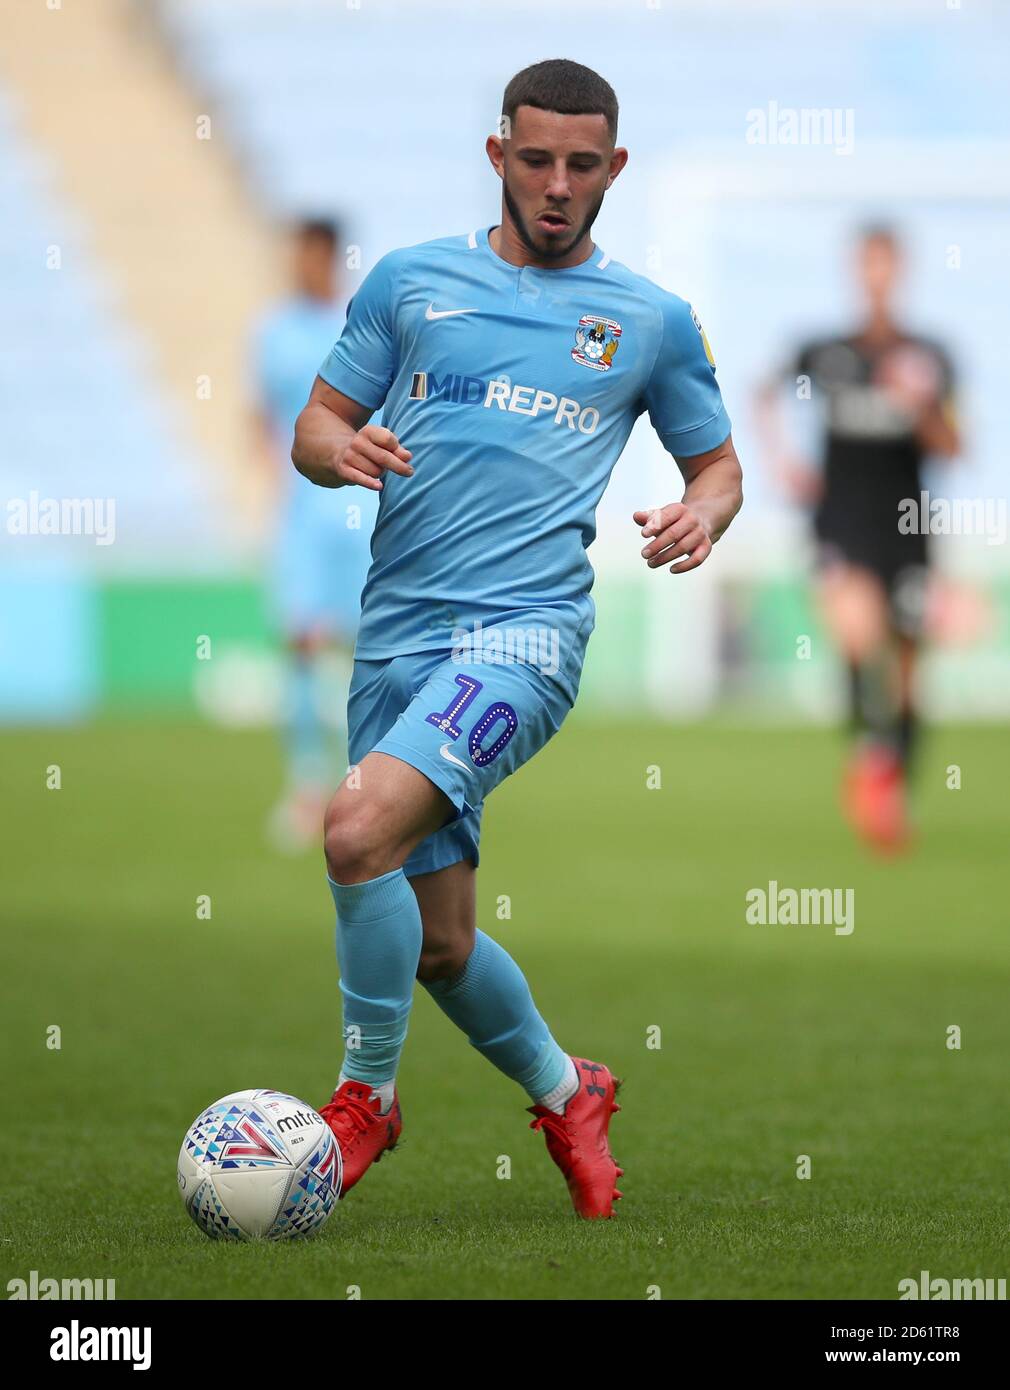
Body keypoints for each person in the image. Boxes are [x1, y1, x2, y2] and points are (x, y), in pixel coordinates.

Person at [291, 59, 742, 1218]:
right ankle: (567, 1087)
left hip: (522, 641)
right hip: (395, 646)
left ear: (613, 169)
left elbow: (718, 465)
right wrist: (335, 451)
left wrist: (702, 510)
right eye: (533, 160)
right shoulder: (408, 283)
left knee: (351, 831)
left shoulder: (647, 320)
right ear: (497, 156)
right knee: (438, 948)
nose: (554, 185)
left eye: (580, 166)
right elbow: (317, 421)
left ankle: (365, 1098)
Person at [755, 226, 960, 851]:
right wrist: (783, 462)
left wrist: (920, 405)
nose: (876, 276)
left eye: (886, 266)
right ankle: (870, 765)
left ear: (900, 271)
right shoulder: (824, 352)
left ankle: (889, 787)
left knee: (904, 672)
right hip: (840, 524)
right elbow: (764, 393)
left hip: (908, 530)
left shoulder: (929, 354)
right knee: (856, 635)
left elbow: (954, 446)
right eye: (866, 265)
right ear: (855, 270)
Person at [252, 218, 378, 850]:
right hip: (301, 518)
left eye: (312, 255)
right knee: (301, 644)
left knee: (370, 652)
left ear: (332, 256)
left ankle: (372, 787)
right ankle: (306, 788)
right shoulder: (271, 331)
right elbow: (259, 419)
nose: (303, 265)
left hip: (361, 511)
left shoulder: (359, 325)